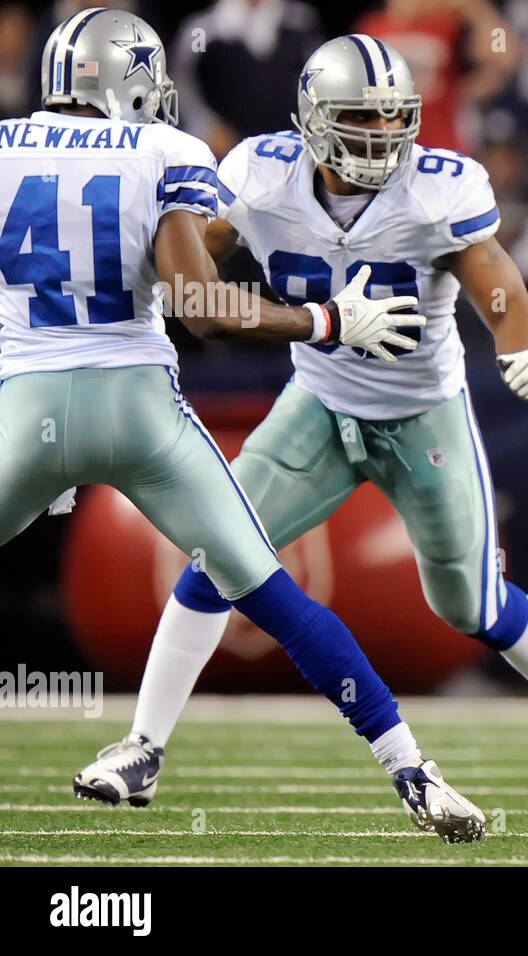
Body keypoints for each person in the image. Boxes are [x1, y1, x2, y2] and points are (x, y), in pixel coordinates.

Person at [70, 31, 528, 819]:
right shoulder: (259, 177)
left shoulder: (437, 187)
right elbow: (199, 279)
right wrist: (161, 282)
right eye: (362, 119)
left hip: (420, 409)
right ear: (313, 120)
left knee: (469, 606)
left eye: (395, 117)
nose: (383, 135)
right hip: (318, 402)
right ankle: (144, 748)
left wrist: (520, 347)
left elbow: (496, 283)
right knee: (216, 557)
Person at [2, 8, 488, 841]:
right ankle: (413, 770)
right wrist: (327, 323)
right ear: (132, 81)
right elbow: (198, 306)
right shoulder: (169, 152)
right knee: (270, 595)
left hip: (24, 408)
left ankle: (147, 750)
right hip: (138, 411)